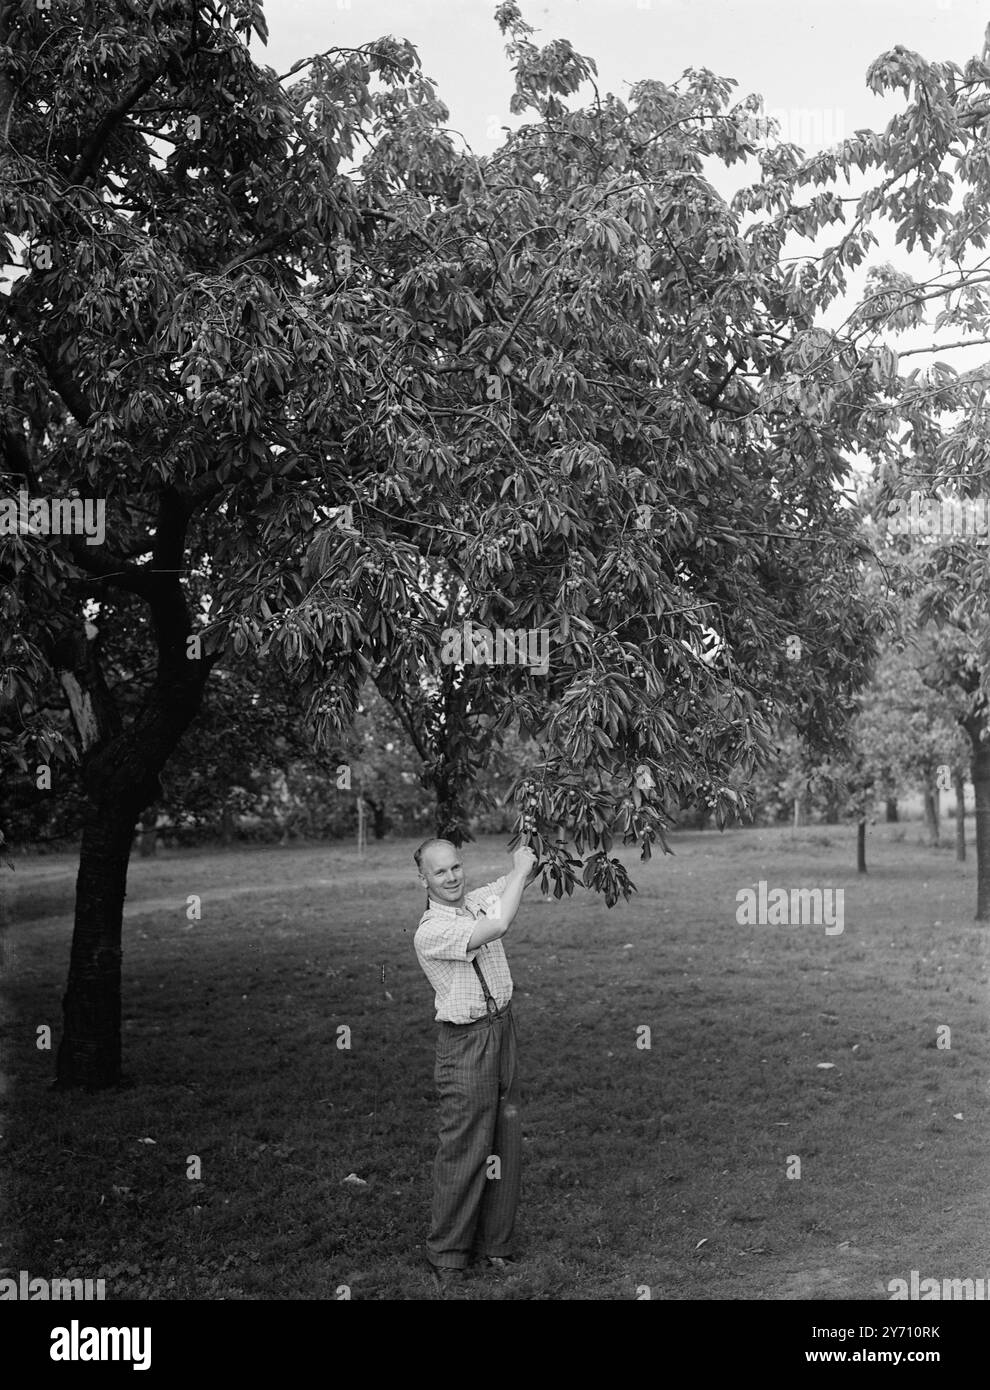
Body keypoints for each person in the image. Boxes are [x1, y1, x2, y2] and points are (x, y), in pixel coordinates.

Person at [413, 837, 538, 1295]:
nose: (451, 878)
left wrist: (533, 834)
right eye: (440, 872)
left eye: (455, 867)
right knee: (464, 1147)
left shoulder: (476, 900)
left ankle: (497, 1245)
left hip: (503, 1030)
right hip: (465, 1044)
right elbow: (500, 922)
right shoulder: (430, 930)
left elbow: (518, 878)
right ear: (423, 878)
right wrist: (519, 871)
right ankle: (447, 1254)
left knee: (505, 1140)